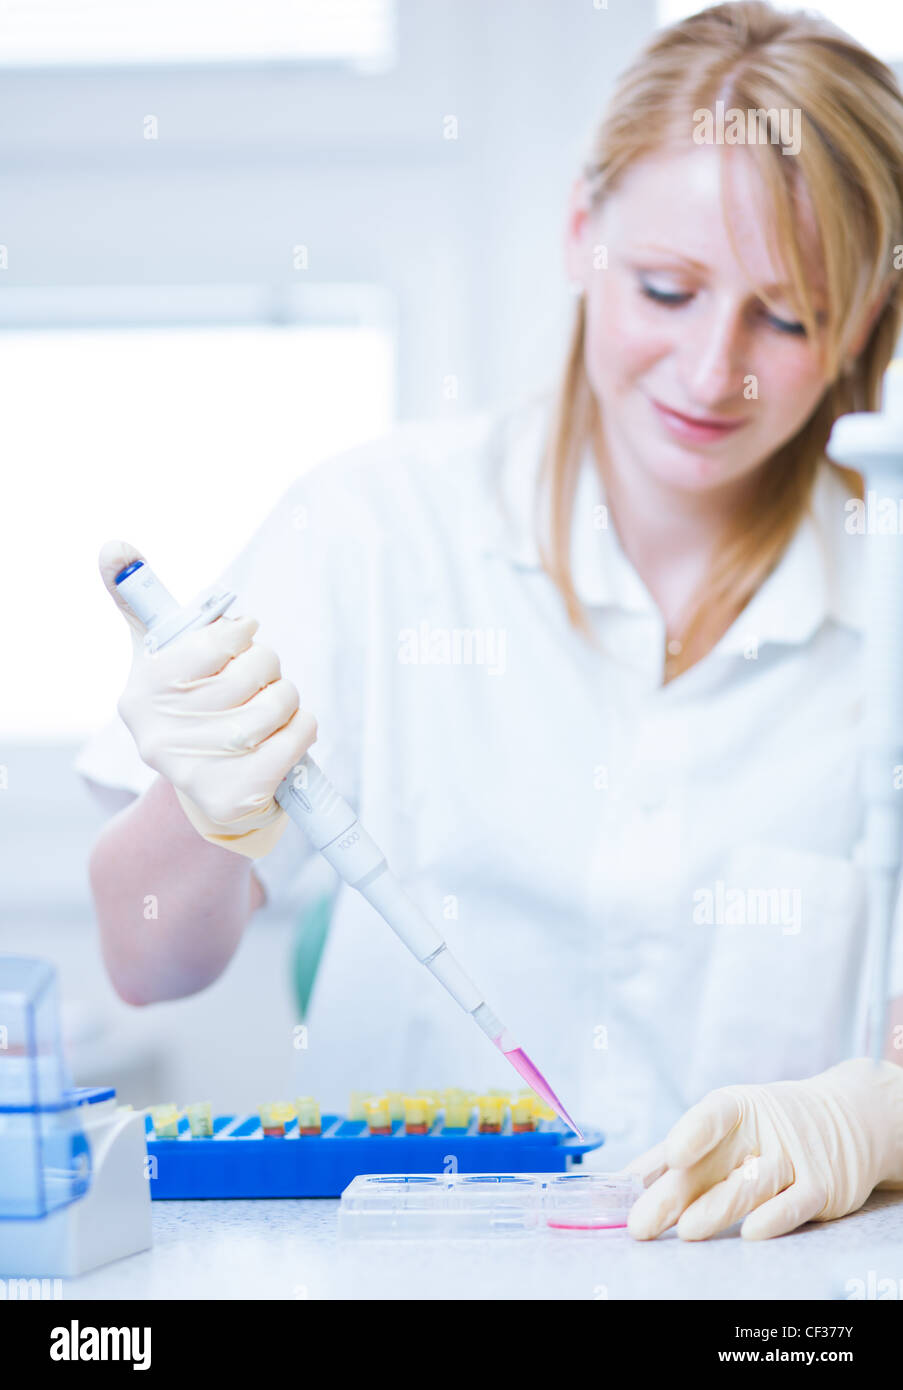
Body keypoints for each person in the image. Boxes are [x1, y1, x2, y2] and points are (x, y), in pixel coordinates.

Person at [80, 2, 903, 1240]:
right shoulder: (372, 531)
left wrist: (885, 1115)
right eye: (669, 288)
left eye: (787, 319)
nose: (709, 369)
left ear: (866, 328)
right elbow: (148, 965)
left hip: (766, 1298)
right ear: (582, 232)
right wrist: (196, 805)